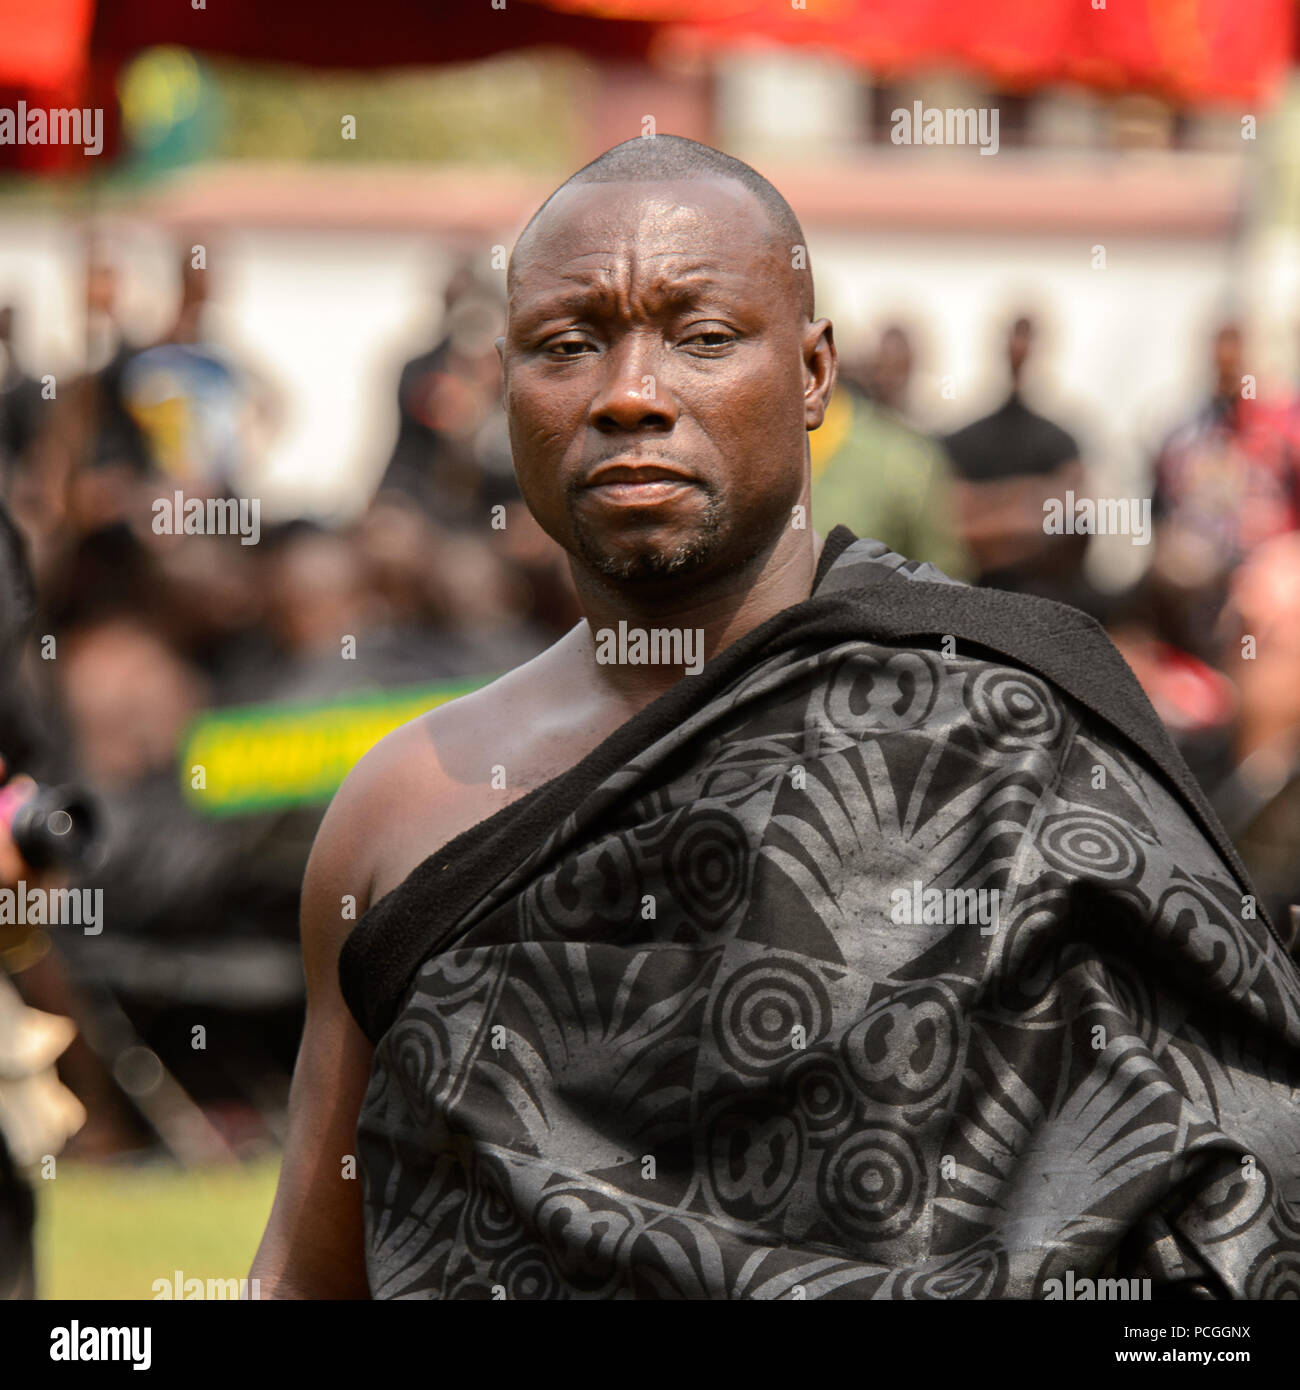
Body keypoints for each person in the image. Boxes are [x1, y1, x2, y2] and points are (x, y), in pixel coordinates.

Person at [252, 135, 1300, 1300]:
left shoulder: (1010, 722)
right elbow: (307, 1275)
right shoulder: (403, 808)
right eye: (565, 346)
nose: (630, 395)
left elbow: (1235, 1202)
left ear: (811, 374)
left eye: (701, 339)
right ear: (505, 382)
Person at [944, 315, 1088, 602]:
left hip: (1047, 595)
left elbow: (1074, 520)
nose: (1019, 348)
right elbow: (947, 521)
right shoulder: (963, 440)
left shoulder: (1061, 441)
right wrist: (1032, 496)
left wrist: (984, 507)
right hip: (973, 591)